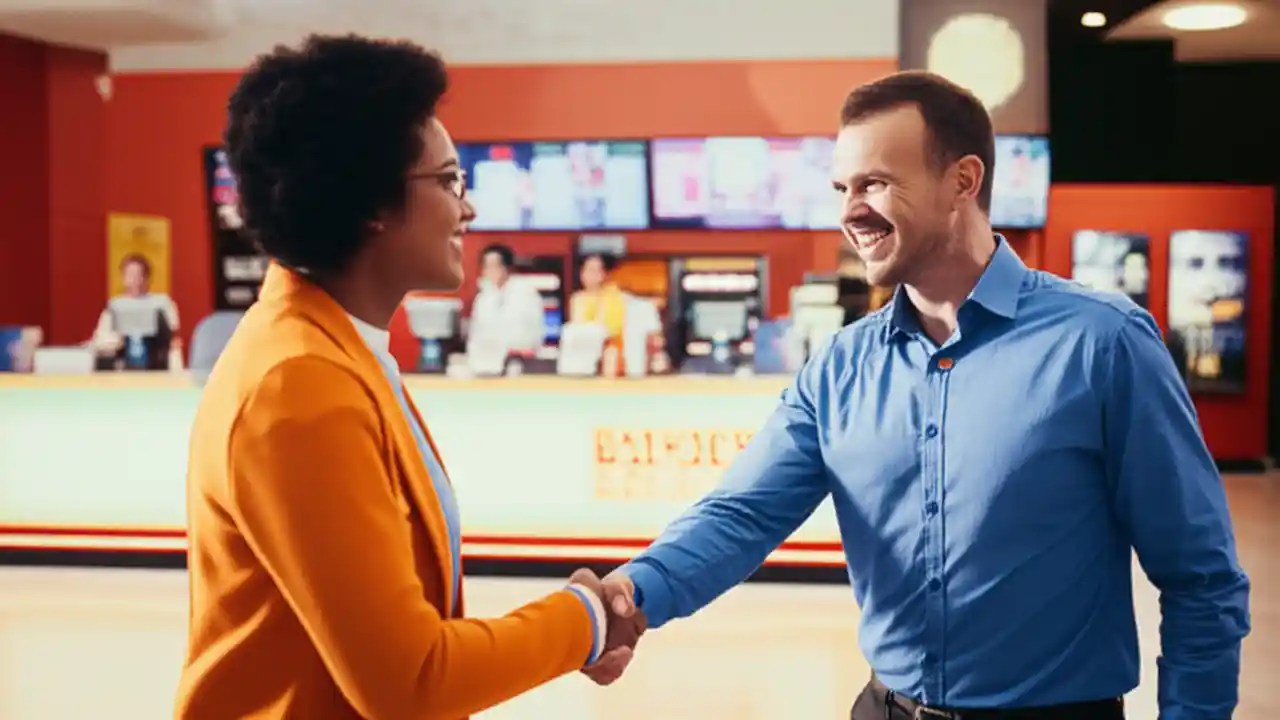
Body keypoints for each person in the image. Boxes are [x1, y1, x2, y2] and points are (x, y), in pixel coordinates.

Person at [596, 70, 1250, 719]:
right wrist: (628, 595)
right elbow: (741, 516)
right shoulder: (841, 368)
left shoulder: (1102, 343)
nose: (850, 211)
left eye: (875, 183)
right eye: (842, 188)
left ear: (963, 181)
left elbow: (1201, 577)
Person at [174, 34, 643, 720]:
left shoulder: (333, 348)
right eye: (449, 181)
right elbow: (411, 680)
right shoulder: (299, 384)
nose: (467, 209)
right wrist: (585, 621)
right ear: (372, 201)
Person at [467, 242, 547, 356]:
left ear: (507, 267)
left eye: (495, 265)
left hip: (519, 356)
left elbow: (535, 333)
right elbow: (475, 334)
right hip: (488, 357)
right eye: (486, 267)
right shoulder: (482, 299)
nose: (490, 271)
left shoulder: (526, 293)